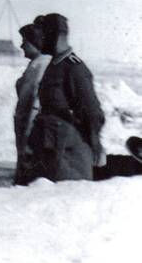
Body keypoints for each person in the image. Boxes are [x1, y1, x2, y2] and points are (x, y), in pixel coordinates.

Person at [30, 13, 103, 182]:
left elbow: (92, 112)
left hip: (70, 155)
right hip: (52, 149)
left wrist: (95, 143)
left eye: (41, 36)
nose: (38, 41)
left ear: (54, 35)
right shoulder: (55, 64)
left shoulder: (74, 68)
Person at [13, 22, 52, 185]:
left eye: (25, 41)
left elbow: (35, 104)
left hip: (32, 131)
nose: (21, 45)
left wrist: (29, 138)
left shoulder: (40, 65)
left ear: (35, 42)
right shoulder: (37, 64)